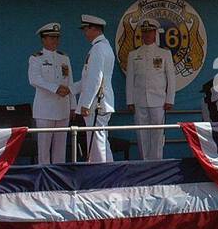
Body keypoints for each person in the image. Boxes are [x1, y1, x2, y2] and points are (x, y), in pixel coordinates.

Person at [125, 18, 176, 160]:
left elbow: (171, 78)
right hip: (139, 99)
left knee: (158, 134)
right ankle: (144, 162)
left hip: (159, 100)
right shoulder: (133, 55)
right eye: (144, 32)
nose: (147, 35)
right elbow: (130, 79)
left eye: (150, 32)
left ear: (155, 33)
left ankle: (157, 162)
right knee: (141, 134)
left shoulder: (164, 54)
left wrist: (169, 99)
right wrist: (130, 100)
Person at [27, 22, 74, 164]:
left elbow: (69, 82)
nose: (55, 41)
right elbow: (34, 79)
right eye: (51, 37)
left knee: (60, 148)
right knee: (44, 148)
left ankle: (59, 178)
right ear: (43, 39)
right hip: (45, 109)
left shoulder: (64, 58)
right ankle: (44, 177)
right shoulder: (36, 58)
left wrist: (73, 106)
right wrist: (55, 88)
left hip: (63, 108)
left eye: (57, 37)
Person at [75, 14, 116, 163]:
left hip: (96, 103)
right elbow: (88, 79)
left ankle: (101, 174)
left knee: (96, 142)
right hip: (101, 101)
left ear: (94, 29)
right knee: (101, 139)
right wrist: (70, 89)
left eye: (86, 29)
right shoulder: (104, 46)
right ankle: (109, 171)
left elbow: (95, 79)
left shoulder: (98, 49)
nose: (85, 33)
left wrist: (85, 103)